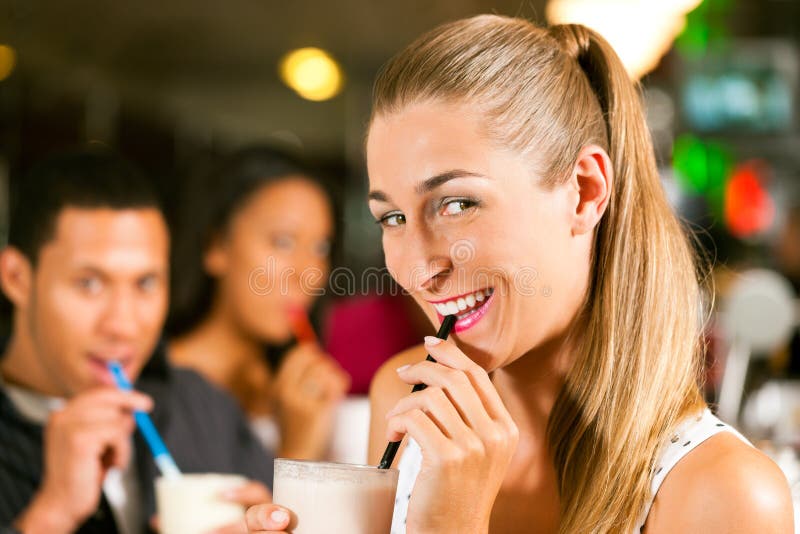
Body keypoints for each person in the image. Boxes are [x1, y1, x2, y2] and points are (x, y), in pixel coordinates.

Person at [246, 15, 793, 534]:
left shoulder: (725, 495)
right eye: (392, 217)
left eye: (457, 203)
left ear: (584, 191)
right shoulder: (406, 399)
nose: (416, 267)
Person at [0, 149, 274, 534]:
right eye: (89, 284)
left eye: (146, 283)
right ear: (16, 278)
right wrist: (51, 515)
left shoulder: (202, 407)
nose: (123, 326)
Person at [168, 146, 349, 460]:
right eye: (283, 242)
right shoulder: (154, 392)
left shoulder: (299, 394)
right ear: (216, 246)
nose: (306, 272)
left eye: (320, 247)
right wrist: (298, 451)